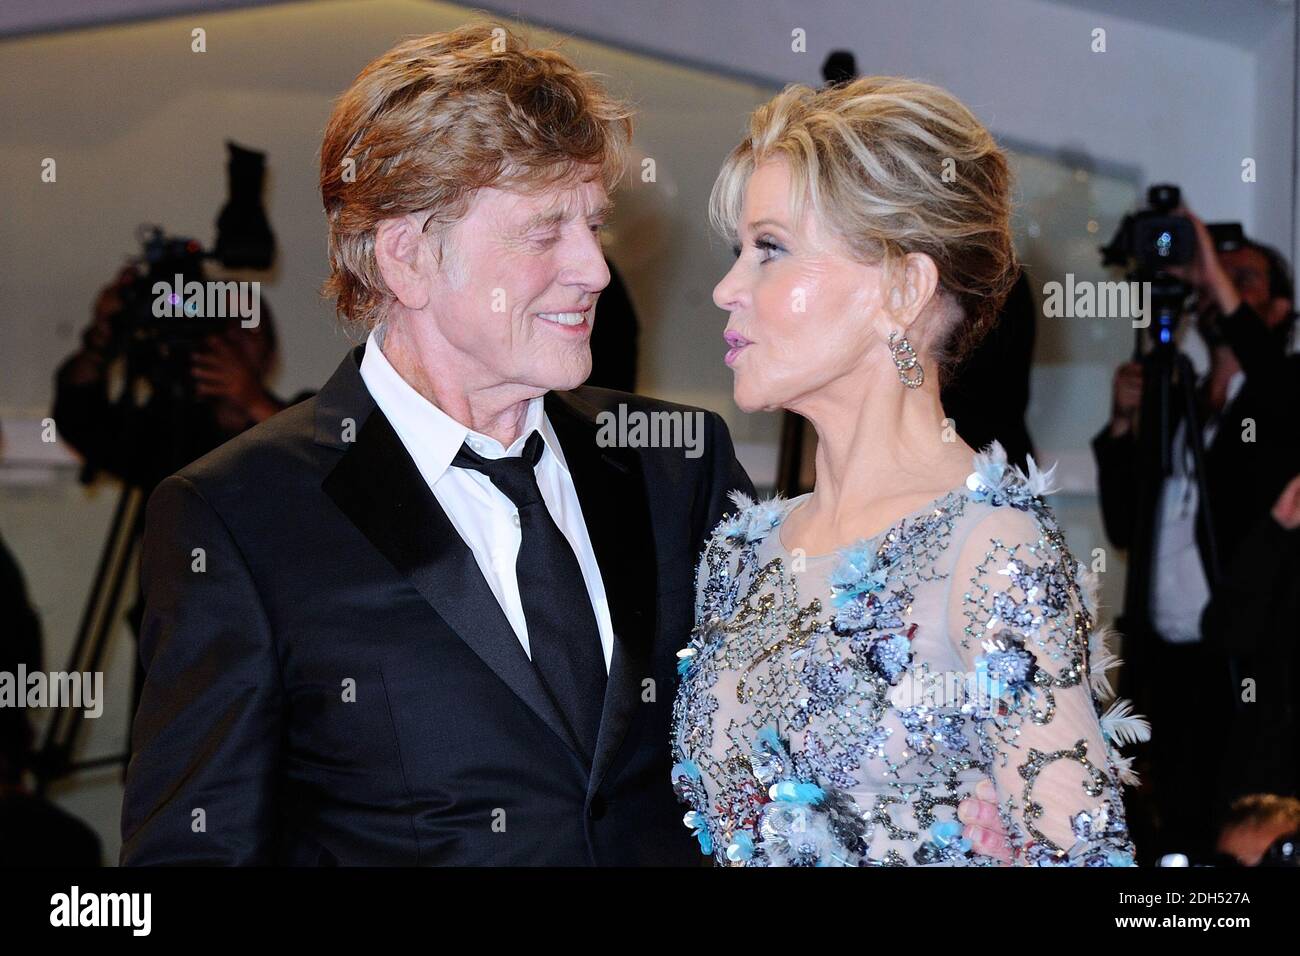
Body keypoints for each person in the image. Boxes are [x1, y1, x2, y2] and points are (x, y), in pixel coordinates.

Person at [119, 26, 1011, 867]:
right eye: (546, 230)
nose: (592, 269)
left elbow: (814, 723)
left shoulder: (675, 466)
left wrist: (948, 804)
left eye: (594, 224)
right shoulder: (240, 518)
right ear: (406, 258)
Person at [671, 76, 1147, 866]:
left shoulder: (991, 552)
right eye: (738, 252)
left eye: (771, 249)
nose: (727, 288)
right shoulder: (740, 552)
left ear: (902, 286)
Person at [1092, 222, 1300, 859]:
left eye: (1242, 280)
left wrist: (1209, 269)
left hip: (1246, 666)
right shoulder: (1177, 393)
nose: (1218, 291)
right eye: (1214, 278)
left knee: (1236, 837)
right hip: (1166, 666)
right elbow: (1128, 527)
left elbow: (1268, 383)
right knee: (1167, 836)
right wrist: (1125, 424)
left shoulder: (1285, 390)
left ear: (1279, 309)